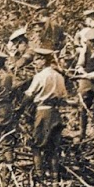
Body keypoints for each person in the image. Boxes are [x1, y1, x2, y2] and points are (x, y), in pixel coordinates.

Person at [24, 48, 71, 177]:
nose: (35, 63)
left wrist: (21, 107)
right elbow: (64, 97)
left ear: (43, 60)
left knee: (37, 145)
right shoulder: (59, 76)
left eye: (37, 60)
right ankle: (55, 176)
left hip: (43, 112)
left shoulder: (40, 76)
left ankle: (39, 175)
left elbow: (29, 94)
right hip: (56, 113)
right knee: (54, 147)